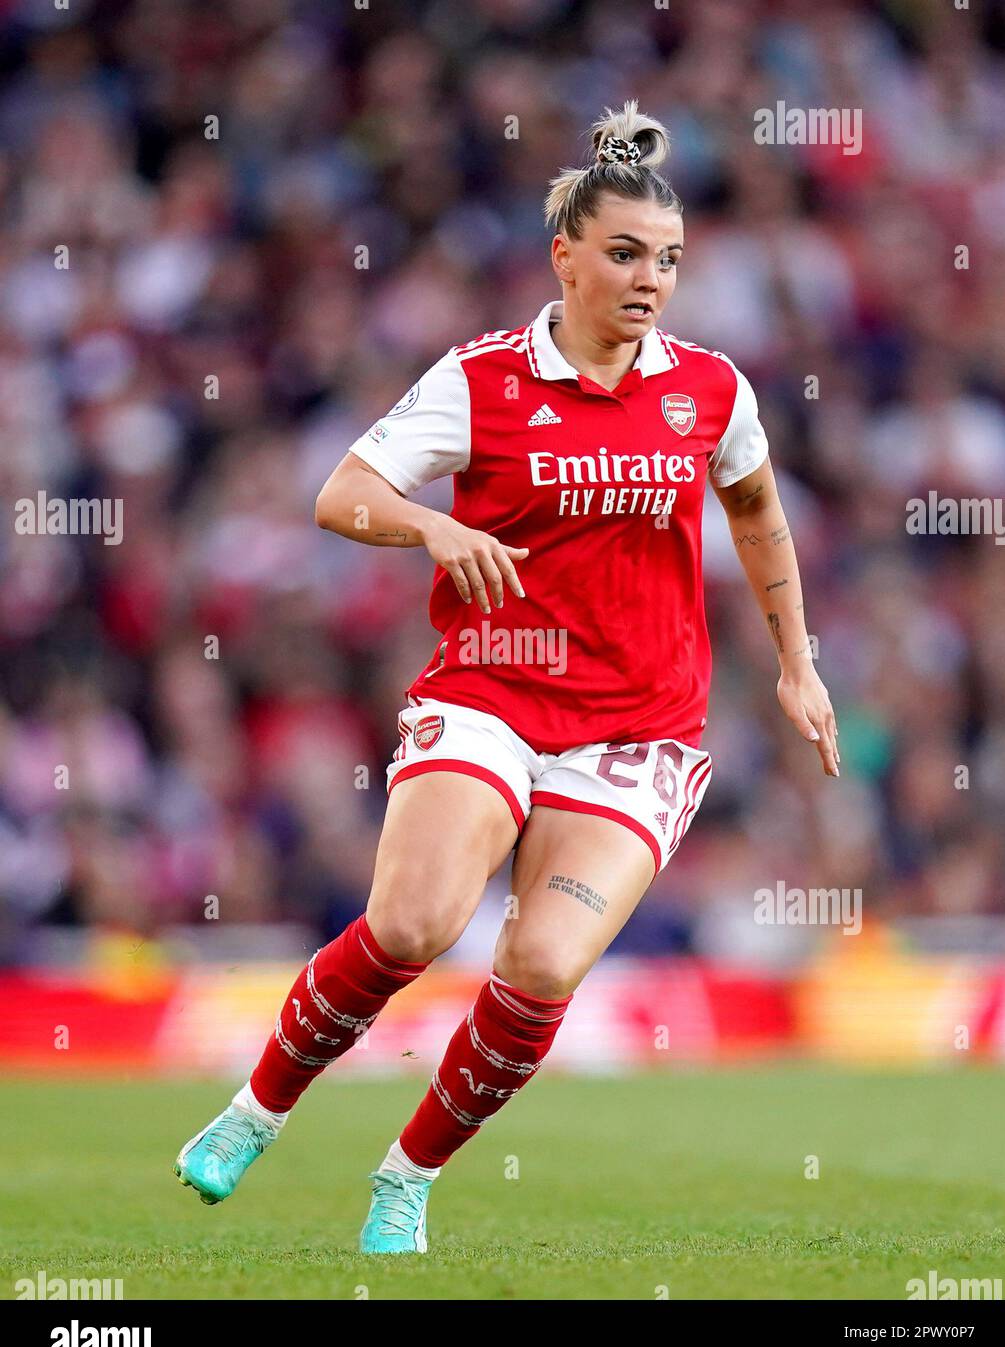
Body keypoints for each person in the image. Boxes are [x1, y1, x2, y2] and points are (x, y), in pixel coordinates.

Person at [173, 99, 839, 1254]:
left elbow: (757, 516)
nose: (648, 281)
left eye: (668, 261)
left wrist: (797, 664)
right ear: (563, 256)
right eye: (624, 254)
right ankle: (254, 1110)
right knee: (415, 922)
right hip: (491, 693)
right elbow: (341, 494)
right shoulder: (479, 381)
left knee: (536, 965)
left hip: (638, 729)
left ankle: (406, 1176)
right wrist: (431, 530)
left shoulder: (709, 392)